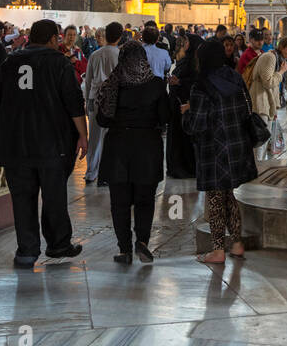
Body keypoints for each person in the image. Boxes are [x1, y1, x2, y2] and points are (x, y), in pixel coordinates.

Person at [0, 18, 87, 269]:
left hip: (15, 145)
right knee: (54, 196)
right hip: (52, 144)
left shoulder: (11, 62)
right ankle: (58, 244)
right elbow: (74, 103)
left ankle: (27, 251)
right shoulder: (59, 64)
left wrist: (4, 123)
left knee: (22, 198)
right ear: (53, 39)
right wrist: (84, 135)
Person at [95, 40, 172, 264]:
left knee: (119, 202)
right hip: (147, 147)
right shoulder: (156, 84)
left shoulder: (112, 84)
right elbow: (166, 117)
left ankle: (124, 250)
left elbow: (101, 119)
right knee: (145, 200)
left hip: (118, 147)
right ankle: (143, 242)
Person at [183, 38, 257, 264]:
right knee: (229, 195)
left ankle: (218, 250)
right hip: (235, 146)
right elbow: (247, 107)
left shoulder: (202, 84)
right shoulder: (234, 76)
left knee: (215, 198)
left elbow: (196, 125)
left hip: (213, 149)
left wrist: (186, 113)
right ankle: (236, 243)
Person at [83, 21, 124, 184]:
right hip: (113, 101)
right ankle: (107, 174)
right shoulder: (120, 55)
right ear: (120, 37)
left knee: (94, 136)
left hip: (95, 98)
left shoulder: (95, 55)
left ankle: (91, 172)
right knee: (110, 137)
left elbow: (88, 80)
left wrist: (87, 101)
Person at [167, 31, 201, 178]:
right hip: (177, 105)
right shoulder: (185, 60)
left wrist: (179, 82)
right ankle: (176, 166)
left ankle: (185, 168)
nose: (185, 44)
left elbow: (196, 82)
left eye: (187, 41)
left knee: (184, 139)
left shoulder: (194, 62)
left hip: (186, 106)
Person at [249, 37, 287, 123]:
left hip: (267, 101)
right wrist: (281, 72)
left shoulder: (279, 59)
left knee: (268, 134)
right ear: (281, 48)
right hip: (261, 102)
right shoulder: (270, 57)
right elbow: (268, 82)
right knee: (262, 134)